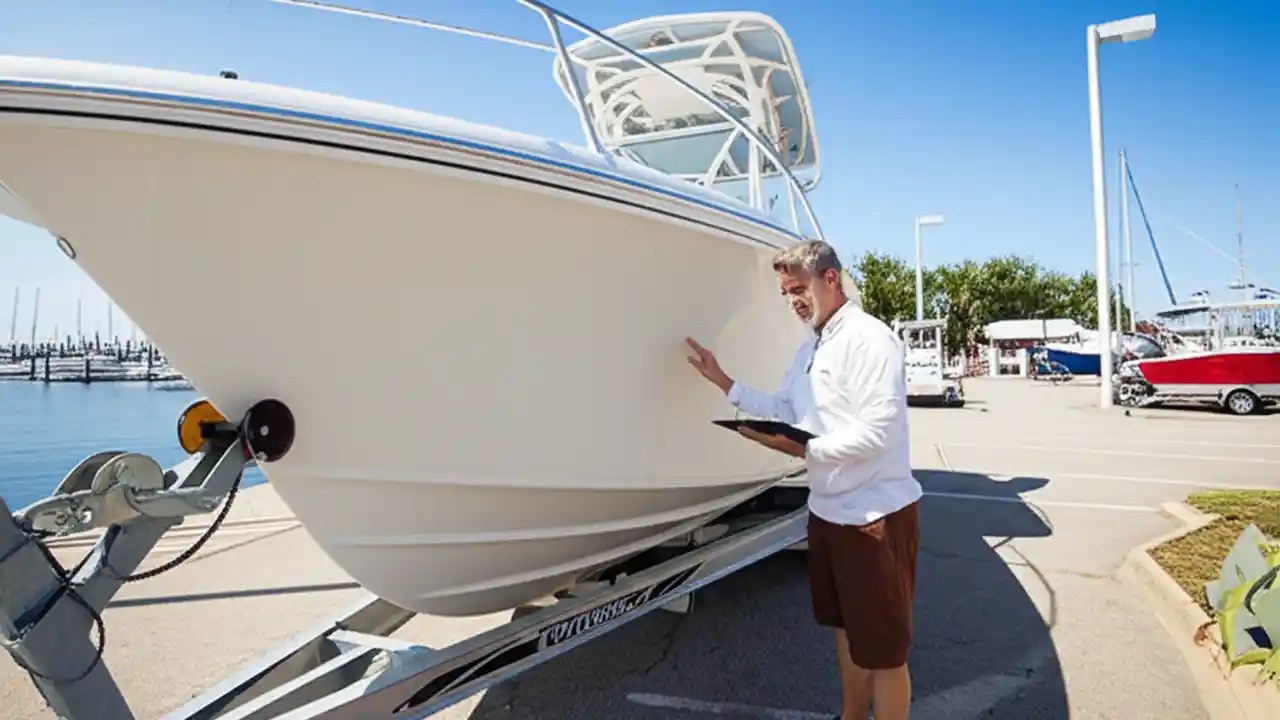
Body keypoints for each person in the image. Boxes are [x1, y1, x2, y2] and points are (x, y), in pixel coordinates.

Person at [685, 240, 921, 720]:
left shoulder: (870, 339)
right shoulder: (810, 347)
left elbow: (878, 434)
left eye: (799, 288)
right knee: (845, 630)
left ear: (830, 279)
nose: (793, 299)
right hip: (828, 512)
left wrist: (803, 448)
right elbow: (786, 410)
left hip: (874, 518)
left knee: (885, 652)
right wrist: (724, 383)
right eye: (786, 292)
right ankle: (851, 716)